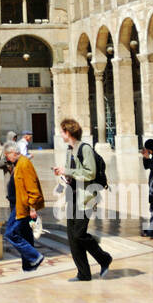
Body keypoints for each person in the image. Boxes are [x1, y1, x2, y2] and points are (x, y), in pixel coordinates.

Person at [52, 118, 112, 282]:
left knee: (79, 234)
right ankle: (83, 273)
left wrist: (68, 170)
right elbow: (72, 172)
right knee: (72, 237)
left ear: (69, 132)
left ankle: (104, 258)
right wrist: (64, 174)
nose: (60, 134)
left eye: (62, 131)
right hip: (72, 195)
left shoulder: (84, 149)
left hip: (85, 198)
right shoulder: (69, 150)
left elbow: (90, 173)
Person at [4, 143, 45, 271]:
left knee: (10, 233)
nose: (6, 158)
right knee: (26, 234)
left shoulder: (24, 163)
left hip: (23, 206)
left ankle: (35, 256)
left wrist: (32, 207)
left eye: (7, 155)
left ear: (13, 152)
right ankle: (28, 266)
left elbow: (32, 187)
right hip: (19, 204)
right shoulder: (18, 164)